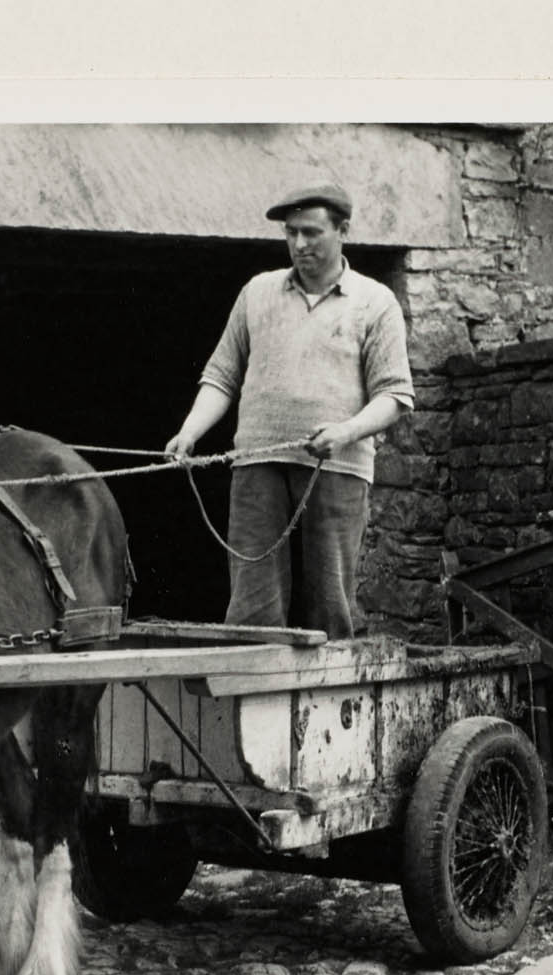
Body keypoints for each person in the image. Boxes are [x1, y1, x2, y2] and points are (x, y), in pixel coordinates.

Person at [164, 181, 415, 638]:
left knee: (329, 598)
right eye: (291, 233)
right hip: (257, 464)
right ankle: (252, 696)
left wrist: (345, 431)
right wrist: (190, 431)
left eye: (312, 232)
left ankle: (330, 693)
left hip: (337, 466)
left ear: (343, 231)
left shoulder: (374, 302)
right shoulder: (257, 293)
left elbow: (395, 397)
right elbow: (221, 376)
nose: (300, 244)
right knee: (252, 600)